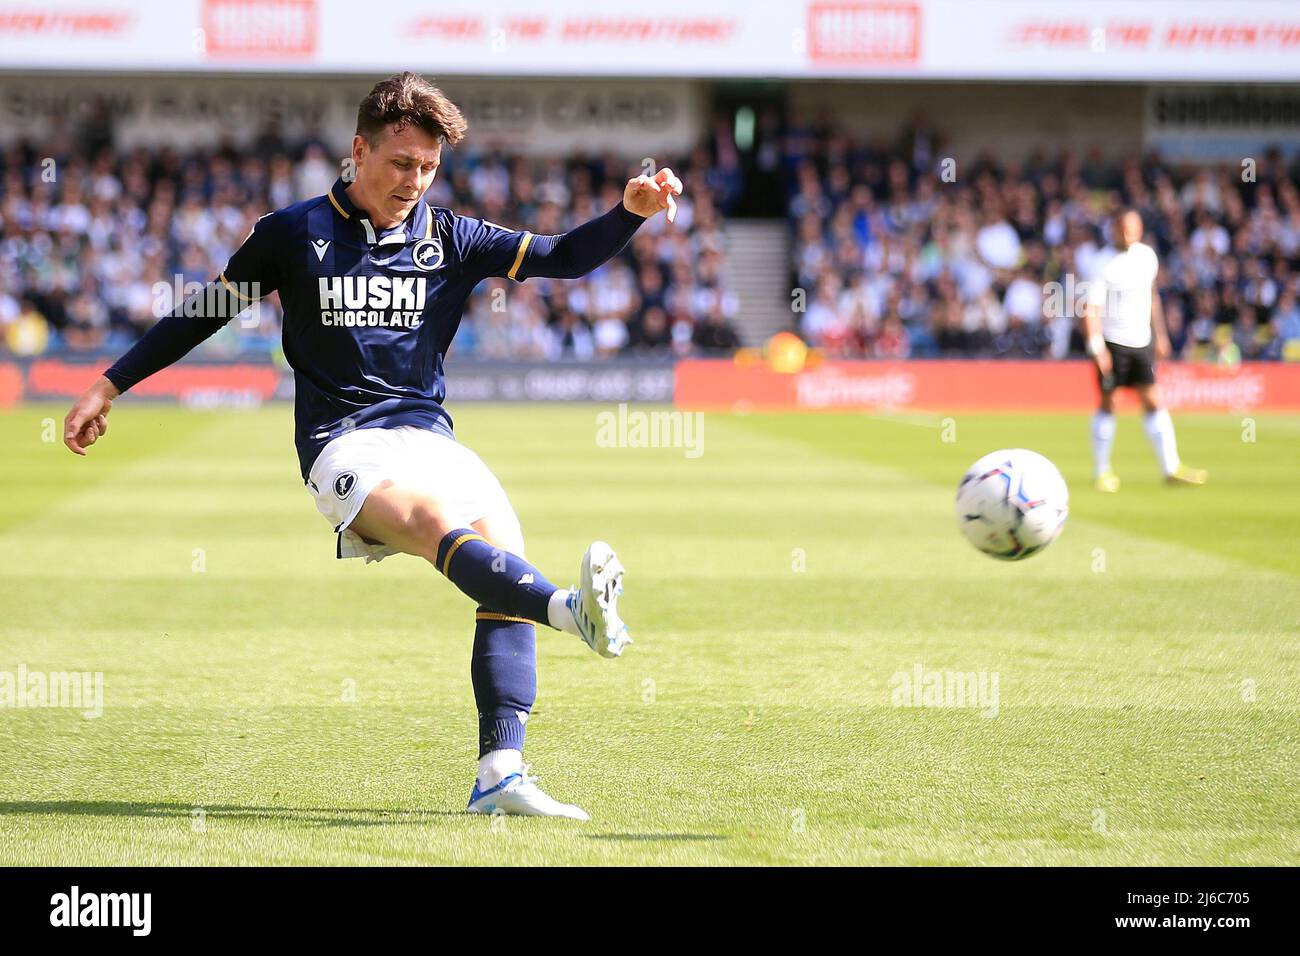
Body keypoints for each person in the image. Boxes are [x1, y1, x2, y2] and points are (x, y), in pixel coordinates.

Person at [61, 72, 685, 820]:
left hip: (431, 435)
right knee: (428, 524)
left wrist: (629, 214)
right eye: (400, 163)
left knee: (502, 557)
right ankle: (569, 609)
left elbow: (562, 257)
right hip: (343, 444)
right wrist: (110, 384)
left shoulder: (451, 236)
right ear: (359, 150)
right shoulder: (291, 233)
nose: (413, 181)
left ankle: (500, 773)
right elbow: (205, 311)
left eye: (427, 167)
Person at [1085, 209, 1206, 492]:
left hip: (1141, 341)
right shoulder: (1101, 262)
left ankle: (1171, 467)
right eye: (1123, 228)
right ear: (1113, 229)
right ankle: (1102, 471)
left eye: (1133, 228)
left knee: (1153, 400)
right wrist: (1097, 346)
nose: (1128, 234)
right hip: (1113, 342)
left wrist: (1160, 334)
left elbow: (1152, 297)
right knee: (1110, 402)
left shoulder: (1146, 257)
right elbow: (1091, 307)